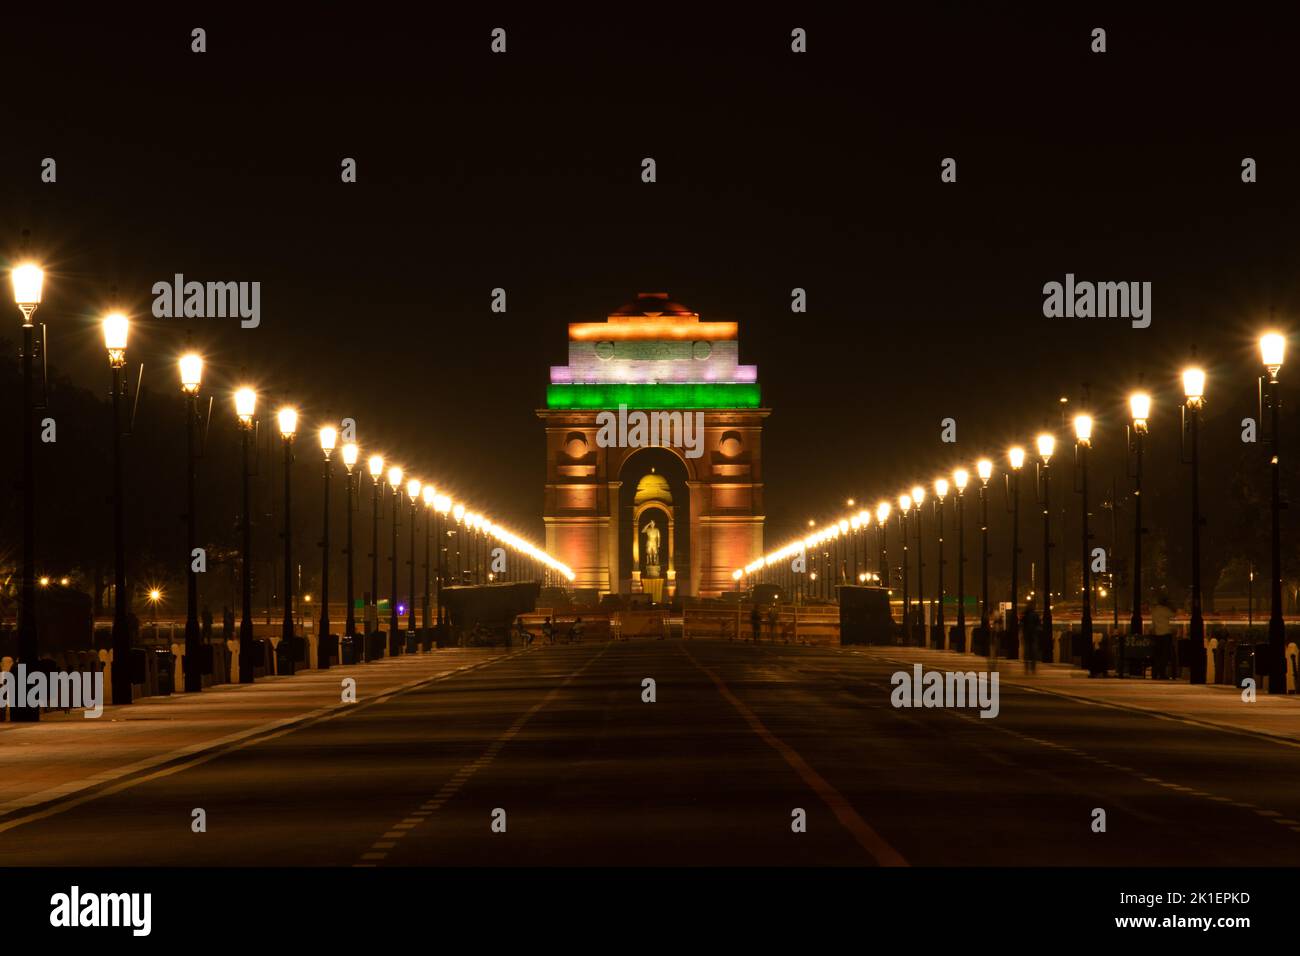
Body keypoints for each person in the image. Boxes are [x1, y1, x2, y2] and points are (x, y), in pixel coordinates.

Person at [1151, 592, 1175, 679]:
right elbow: (1173, 615)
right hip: (1166, 635)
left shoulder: (1154, 611)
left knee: (1158, 655)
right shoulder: (1165, 610)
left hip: (1157, 635)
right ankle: (1162, 674)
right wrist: (1170, 605)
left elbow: (1153, 625)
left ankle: (1155, 673)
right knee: (1164, 656)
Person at [1021, 600, 1040, 675]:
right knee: (1033, 652)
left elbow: (1022, 624)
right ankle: (1032, 668)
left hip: (1027, 635)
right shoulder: (1035, 614)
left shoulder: (1025, 614)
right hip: (1033, 635)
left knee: (1027, 652)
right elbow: (1038, 624)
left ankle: (1027, 668)